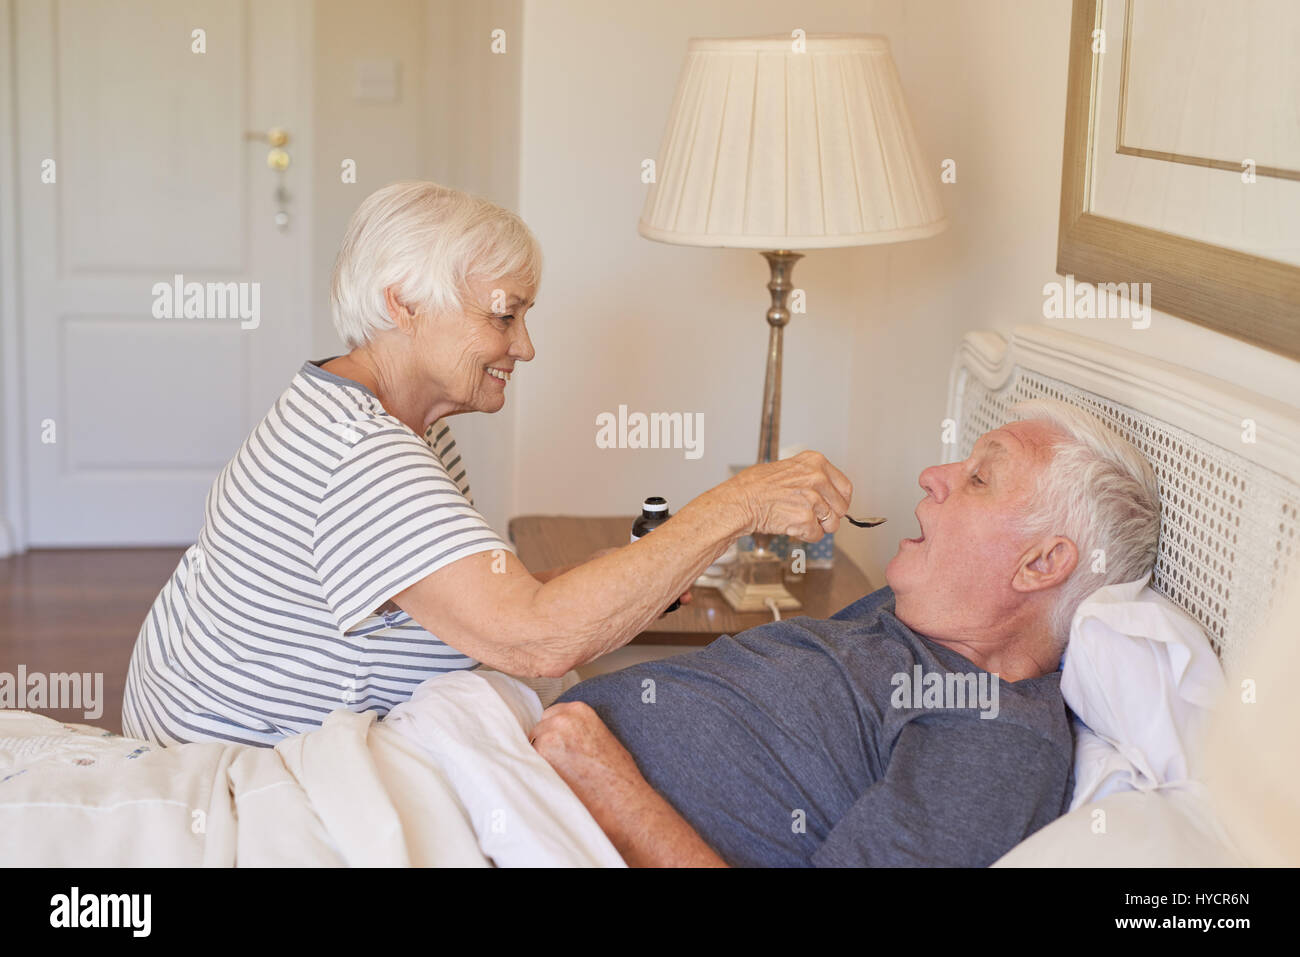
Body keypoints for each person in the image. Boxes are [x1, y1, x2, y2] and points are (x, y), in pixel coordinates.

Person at [122, 180, 853, 746]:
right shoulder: (361, 457)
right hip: (231, 759)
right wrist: (736, 504)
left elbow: (479, 594)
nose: (525, 345)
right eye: (505, 315)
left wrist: (657, 566)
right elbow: (535, 636)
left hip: (196, 716)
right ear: (402, 303)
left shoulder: (388, 417)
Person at [533, 400, 1163, 867]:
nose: (931, 475)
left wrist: (606, 787)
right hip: (527, 769)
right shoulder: (902, 617)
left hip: (554, 815)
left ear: (1042, 564)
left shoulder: (997, 734)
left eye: (978, 477)